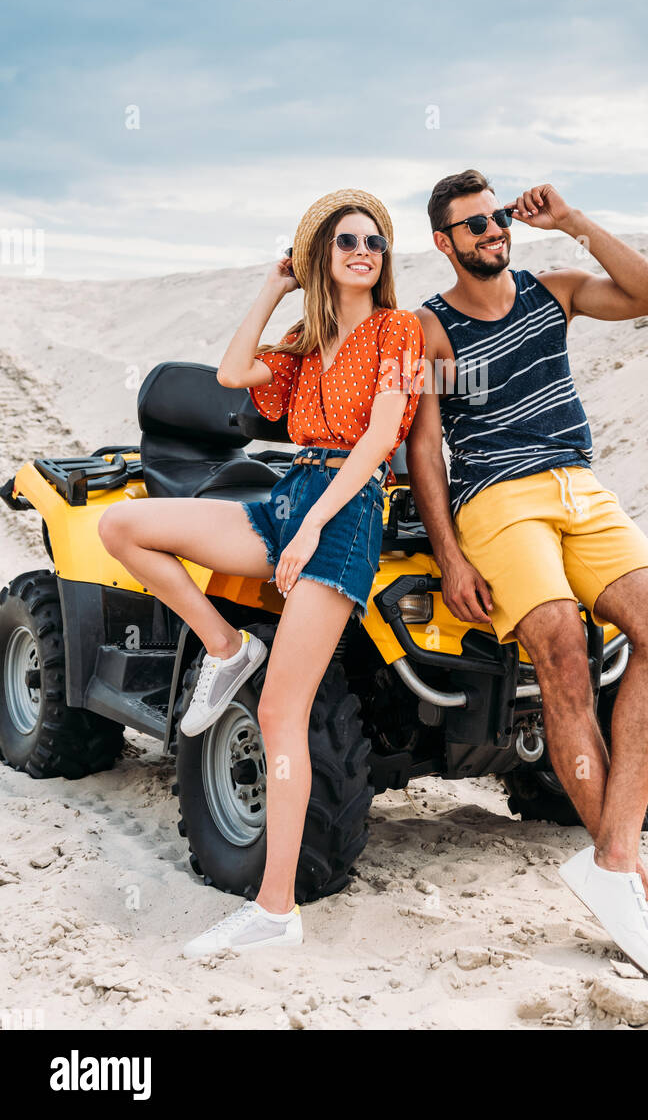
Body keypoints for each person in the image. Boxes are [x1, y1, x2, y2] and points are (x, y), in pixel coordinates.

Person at [406, 169, 648, 980]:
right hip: (495, 499)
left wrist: (574, 219)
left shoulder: (557, 292)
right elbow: (423, 451)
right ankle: (640, 883)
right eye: (472, 227)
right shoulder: (430, 329)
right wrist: (448, 555)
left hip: (579, 488)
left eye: (495, 218)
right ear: (444, 243)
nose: (491, 233)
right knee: (558, 647)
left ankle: (615, 865)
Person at [98, 189, 424, 959]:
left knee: (281, 713)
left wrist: (313, 525)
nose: (361, 249)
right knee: (123, 526)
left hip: (342, 514)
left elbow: (381, 438)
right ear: (321, 255)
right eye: (344, 240)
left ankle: (274, 909)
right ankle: (221, 646)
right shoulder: (304, 339)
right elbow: (231, 370)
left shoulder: (396, 329)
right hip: (286, 496)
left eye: (373, 240)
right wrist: (276, 284)